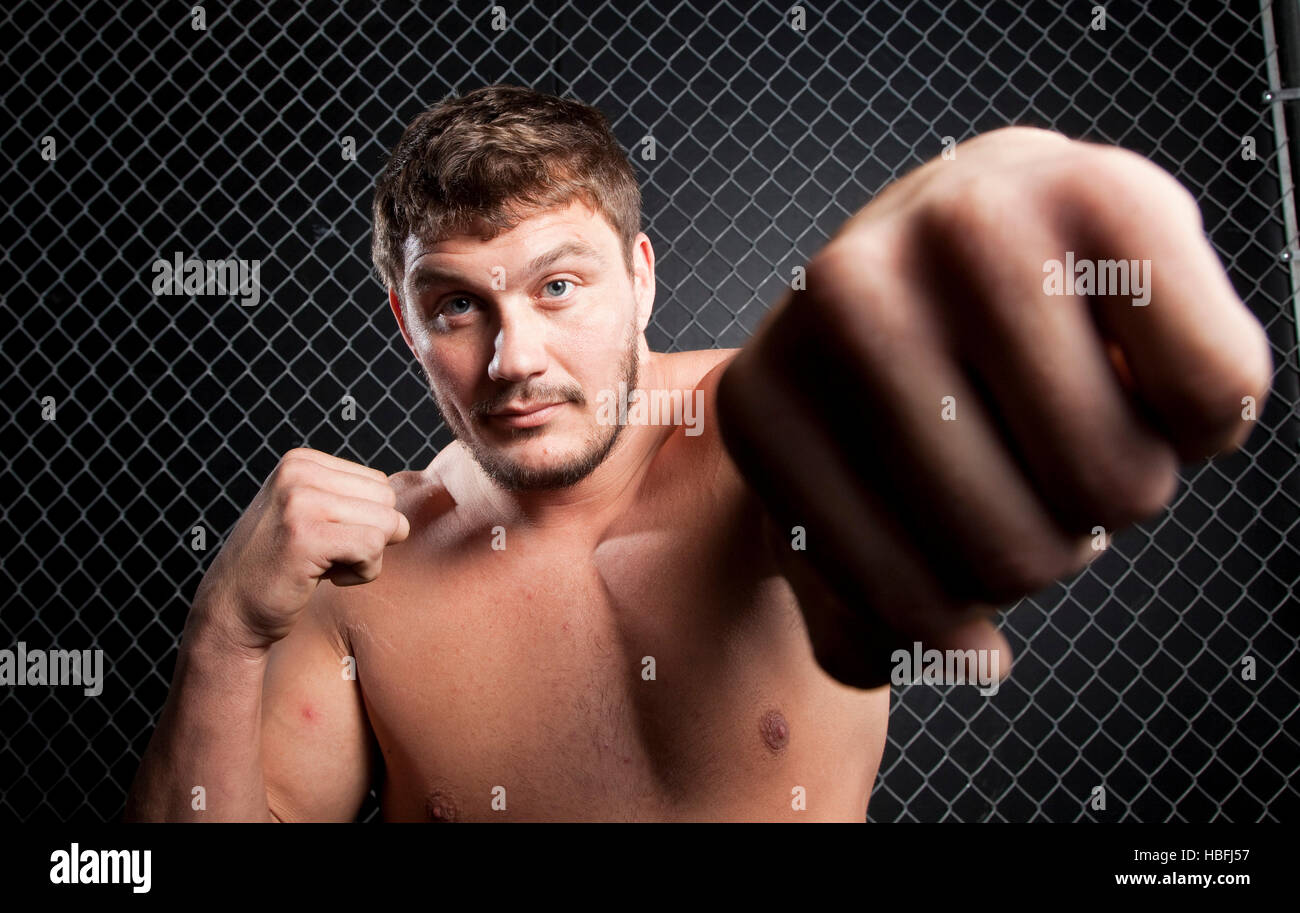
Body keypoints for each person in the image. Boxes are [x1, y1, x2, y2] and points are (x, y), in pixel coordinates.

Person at [125, 84, 1272, 821]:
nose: (515, 357)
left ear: (642, 277)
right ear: (405, 323)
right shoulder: (356, 574)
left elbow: (878, 356)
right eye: (458, 306)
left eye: (559, 285)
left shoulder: (774, 438)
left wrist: (1009, 196)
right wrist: (223, 630)